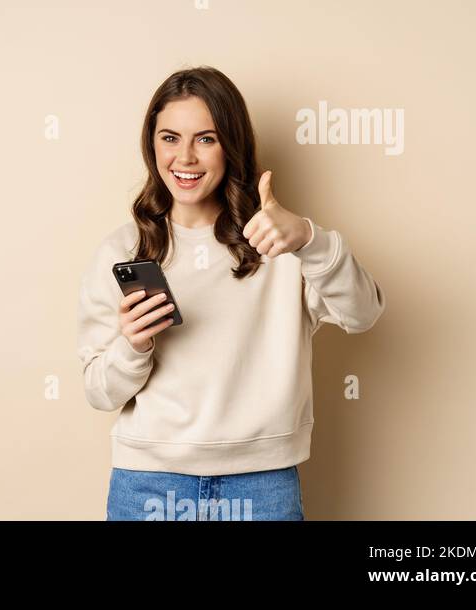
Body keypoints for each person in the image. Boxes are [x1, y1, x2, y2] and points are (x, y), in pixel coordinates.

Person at [76, 66, 386, 521]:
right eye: (169, 138)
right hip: (148, 484)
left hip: (263, 482)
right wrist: (134, 346)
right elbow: (99, 392)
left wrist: (309, 238)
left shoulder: (280, 242)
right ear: (152, 144)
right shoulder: (122, 251)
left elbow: (364, 314)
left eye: (206, 138)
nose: (185, 157)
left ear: (231, 145)